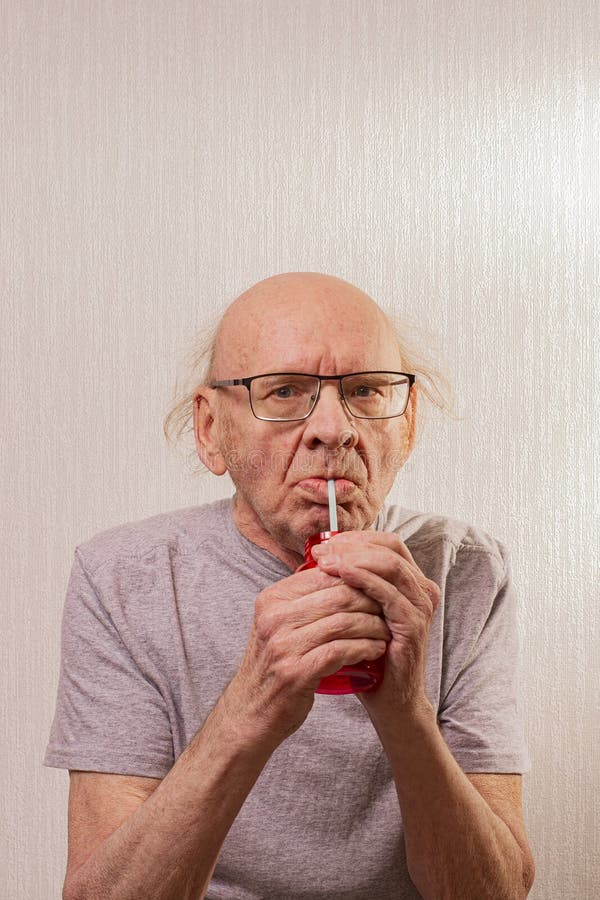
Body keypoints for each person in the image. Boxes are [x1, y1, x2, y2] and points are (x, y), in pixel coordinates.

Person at [44, 272, 535, 900]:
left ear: (406, 424)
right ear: (210, 429)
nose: (334, 429)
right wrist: (254, 701)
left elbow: (494, 893)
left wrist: (404, 710)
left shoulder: (463, 571)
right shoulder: (123, 578)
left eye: (365, 391)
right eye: (283, 391)